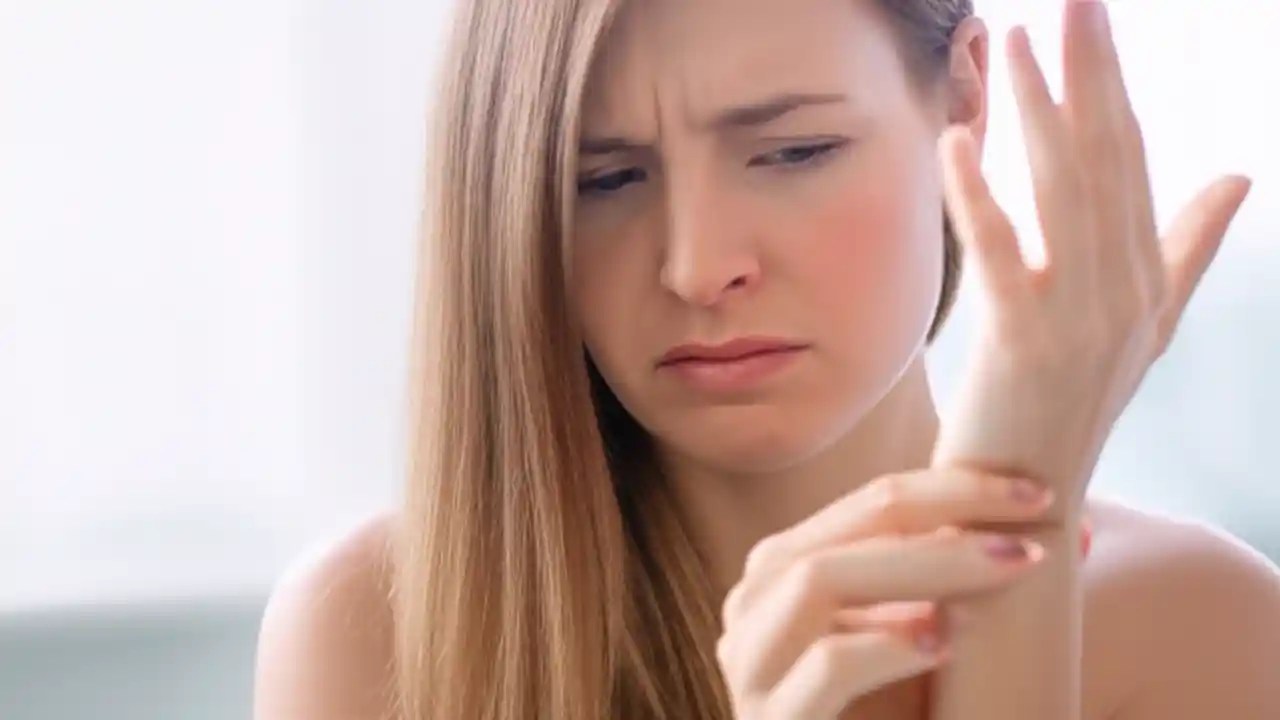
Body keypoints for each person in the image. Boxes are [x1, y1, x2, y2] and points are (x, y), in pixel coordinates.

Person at [252, 0, 1280, 718]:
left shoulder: (1199, 626)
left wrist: (1013, 534)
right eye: (605, 180)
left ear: (962, 98)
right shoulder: (376, 636)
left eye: (793, 153)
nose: (698, 268)